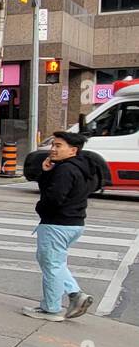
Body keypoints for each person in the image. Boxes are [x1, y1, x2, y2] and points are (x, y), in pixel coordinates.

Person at [22, 131, 110, 321]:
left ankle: (51, 309)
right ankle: (76, 295)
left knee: (52, 265)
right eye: (53, 145)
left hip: (57, 224)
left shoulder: (65, 170)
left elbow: (53, 197)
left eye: (58, 146)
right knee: (55, 263)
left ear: (73, 150)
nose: (53, 149)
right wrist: (45, 174)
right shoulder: (82, 167)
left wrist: (41, 207)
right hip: (74, 223)